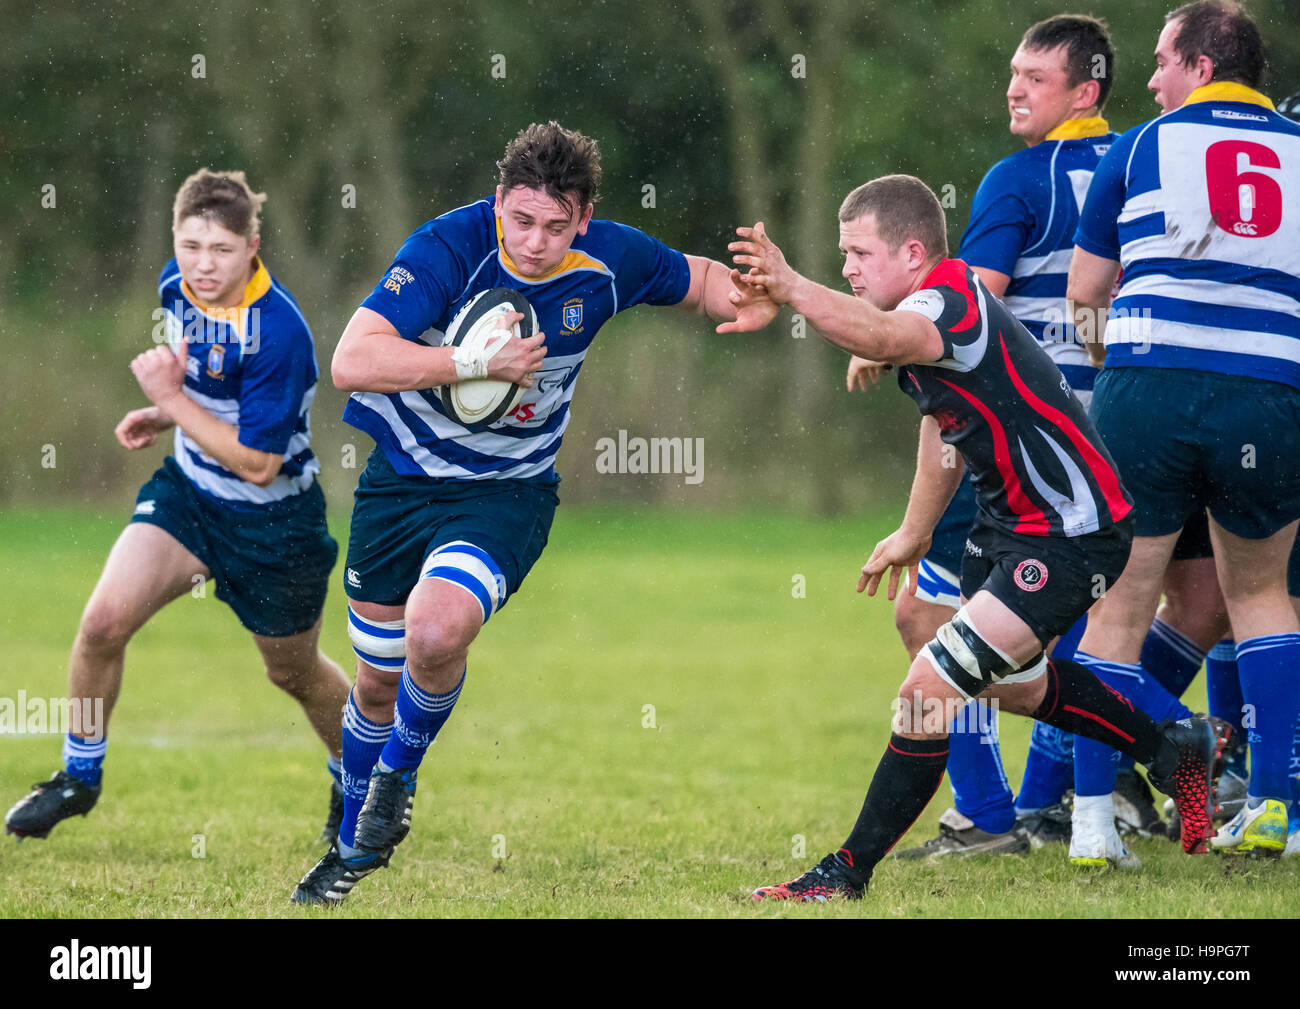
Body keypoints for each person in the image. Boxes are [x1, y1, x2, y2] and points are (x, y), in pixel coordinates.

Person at [290, 121, 777, 905]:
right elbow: (351, 361)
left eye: (557, 224)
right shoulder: (448, 247)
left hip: (507, 491)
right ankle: (353, 814)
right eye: (522, 221)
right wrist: (474, 362)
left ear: (584, 216)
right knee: (376, 684)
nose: (538, 241)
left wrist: (752, 297)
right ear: (498, 205)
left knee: (437, 628)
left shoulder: (610, 258)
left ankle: (381, 802)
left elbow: (697, 278)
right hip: (401, 482)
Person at [730, 174, 1230, 902]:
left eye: (858, 253)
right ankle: (1175, 746)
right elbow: (944, 424)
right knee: (1015, 683)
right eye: (841, 255)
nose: (847, 267)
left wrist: (794, 286)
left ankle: (844, 873)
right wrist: (914, 529)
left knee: (930, 687)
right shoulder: (927, 311)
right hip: (1008, 528)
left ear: (911, 252)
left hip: (1073, 531)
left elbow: (882, 335)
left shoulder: (947, 302)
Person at [5, 169, 350, 843]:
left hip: (274, 522)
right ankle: (79, 776)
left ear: (254, 244)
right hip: (190, 495)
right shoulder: (175, 285)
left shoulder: (279, 332)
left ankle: (358, 781)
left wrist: (172, 403)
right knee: (102, 622)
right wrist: (162, 414)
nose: (203, 263)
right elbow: (197, 379)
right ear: (175, 237)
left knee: (293, 671)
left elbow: (257, 464)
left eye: (221, 248)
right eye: (190, 244)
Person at [1069, 0, 1300, 856]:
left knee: (1121, 604)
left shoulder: (1136, 147)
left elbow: (1088, 290)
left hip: (1150, 389)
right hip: (1273, 391)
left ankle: (1092, 824)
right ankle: (1274, 810)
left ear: (1202, 64)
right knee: (1262, 597)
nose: (1153, 80)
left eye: (1163, 62)